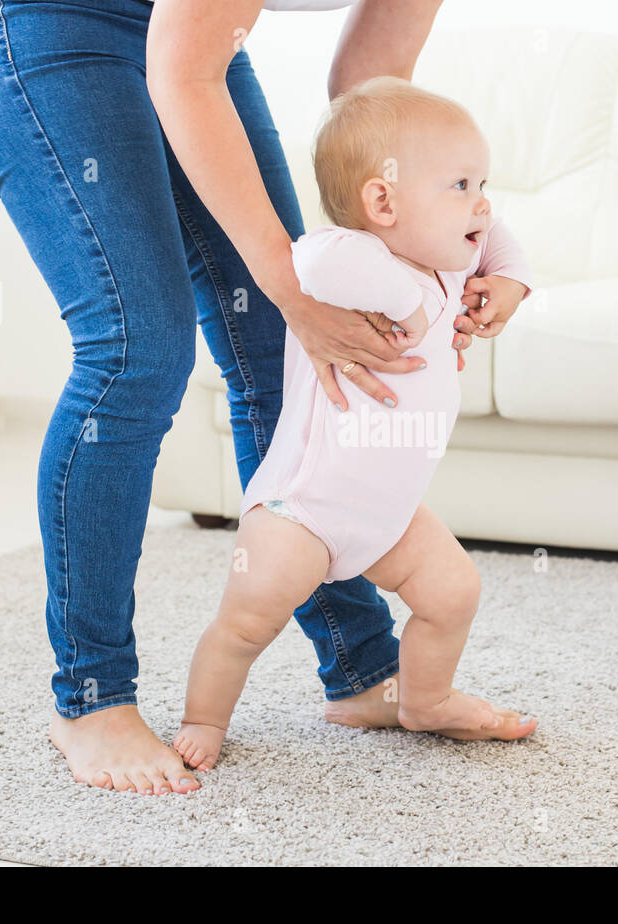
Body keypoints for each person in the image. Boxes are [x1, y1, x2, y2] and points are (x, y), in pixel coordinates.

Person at [0, 0, 528, 796]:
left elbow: (375, 99)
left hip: (197, 38)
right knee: (138, 350)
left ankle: (361, 674)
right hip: (53, 20)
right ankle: (91, 697)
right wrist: (305, 290)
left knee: (289, 355)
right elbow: (181, 72)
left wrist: (445, 266)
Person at [173, 77, 538, 772]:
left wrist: (510, 282)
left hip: (388, 513)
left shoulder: (449, 262)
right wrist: (408, 300)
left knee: (454, 592)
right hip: (302, 510)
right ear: (382, 201)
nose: (484, 204)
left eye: (483, 182)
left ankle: (423, 700)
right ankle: (204, 717)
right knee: (248, 624)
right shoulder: (353, 263)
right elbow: (309, 255)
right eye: (462, 184)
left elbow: (501, 240)